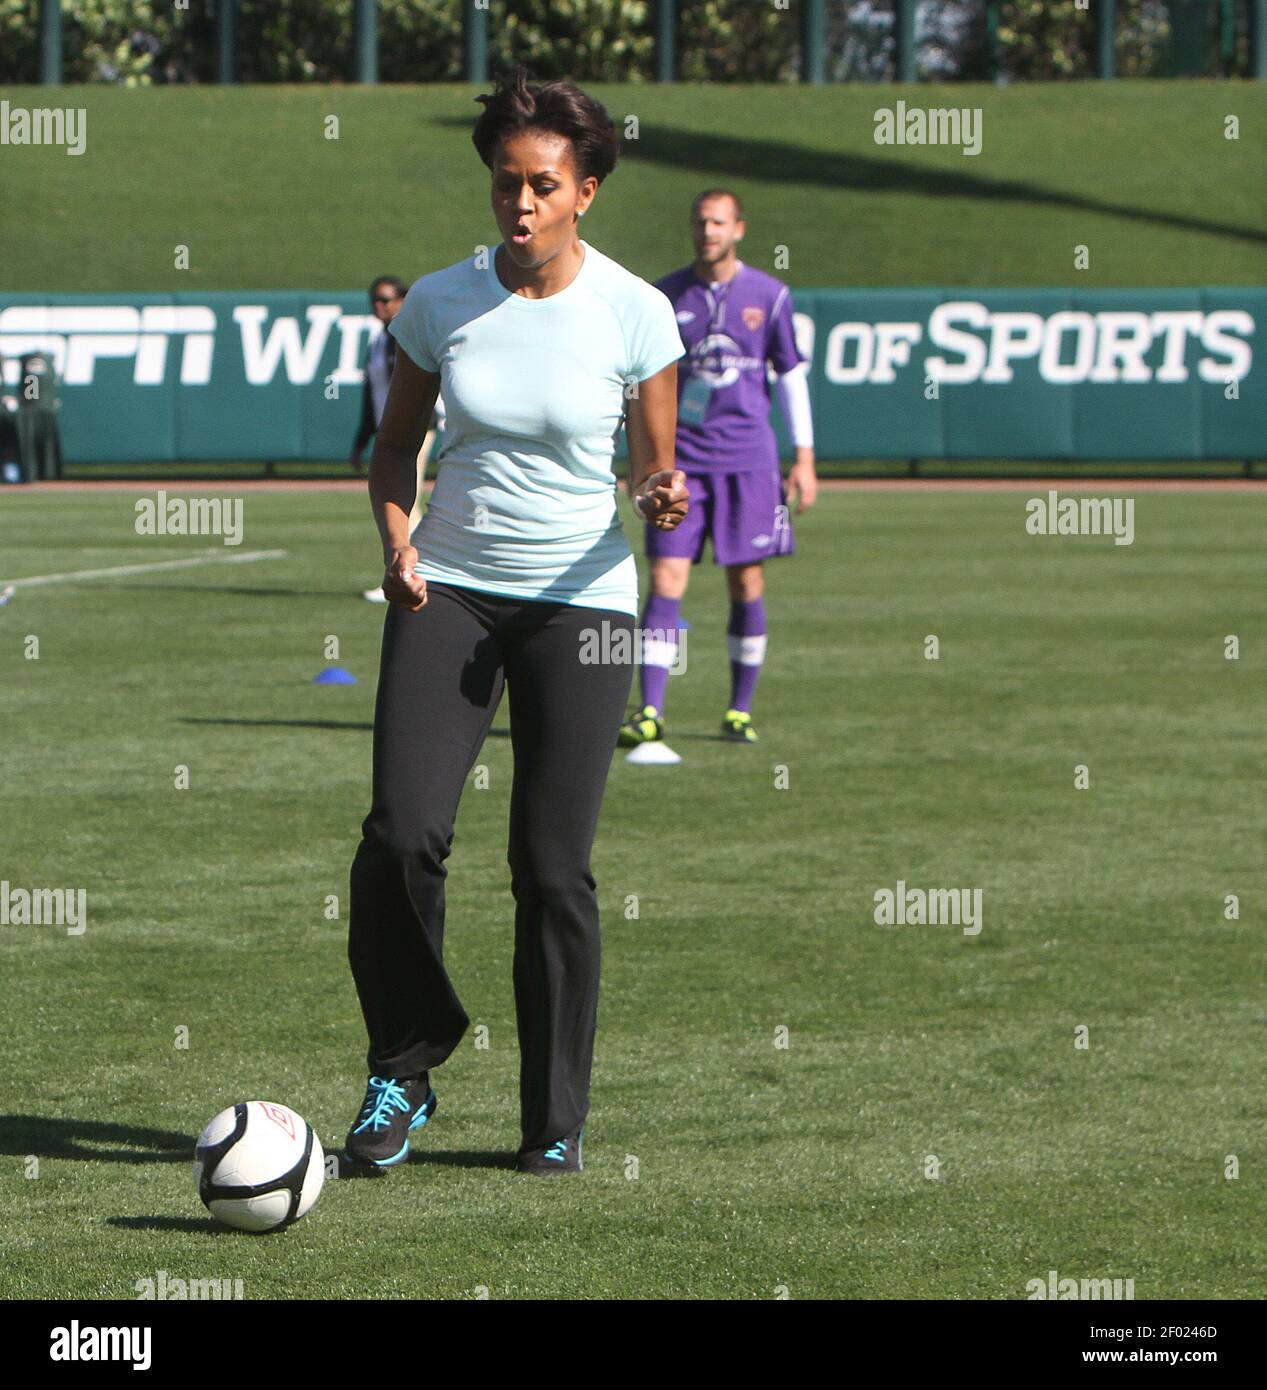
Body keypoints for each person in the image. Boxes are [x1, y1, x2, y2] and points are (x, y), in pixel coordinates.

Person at [343, 66, 689, 1176]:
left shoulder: (638, 311)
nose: (521, 205)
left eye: (543, 185)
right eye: (506, 185)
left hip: (583, 603)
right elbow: (396, 447)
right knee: (400, 834)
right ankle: (403, 1069)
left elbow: (649, 467)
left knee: (550, 869)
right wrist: (396, 543)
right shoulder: (443, 303)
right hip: (449, 587)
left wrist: (661, 493)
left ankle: (553, 1118)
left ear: (587, 188)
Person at [618, 189, 818, 746]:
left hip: (750, 461)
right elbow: (640, 383)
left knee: (746, 581)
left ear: (739, 229)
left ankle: (739, 710)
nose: (708, 230)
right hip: (680, 464)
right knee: (664, 577)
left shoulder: (770, 295)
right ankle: (651, 710)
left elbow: (791, 375)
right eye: (700, 221)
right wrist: (639, 459)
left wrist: (803, 457)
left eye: (718, 222)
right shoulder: (665, 295)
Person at [350, 275, 446, 602]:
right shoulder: (380, 341)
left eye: (387, 299)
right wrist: (361, 440)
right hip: (387, 433)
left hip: (415, 428)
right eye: (375, 300)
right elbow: (372, 394)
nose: (380, 306)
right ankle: (409, 570)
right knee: (403, 497)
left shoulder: (407, 336)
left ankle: (410, 571)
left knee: (404, 499)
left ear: (402, 300)